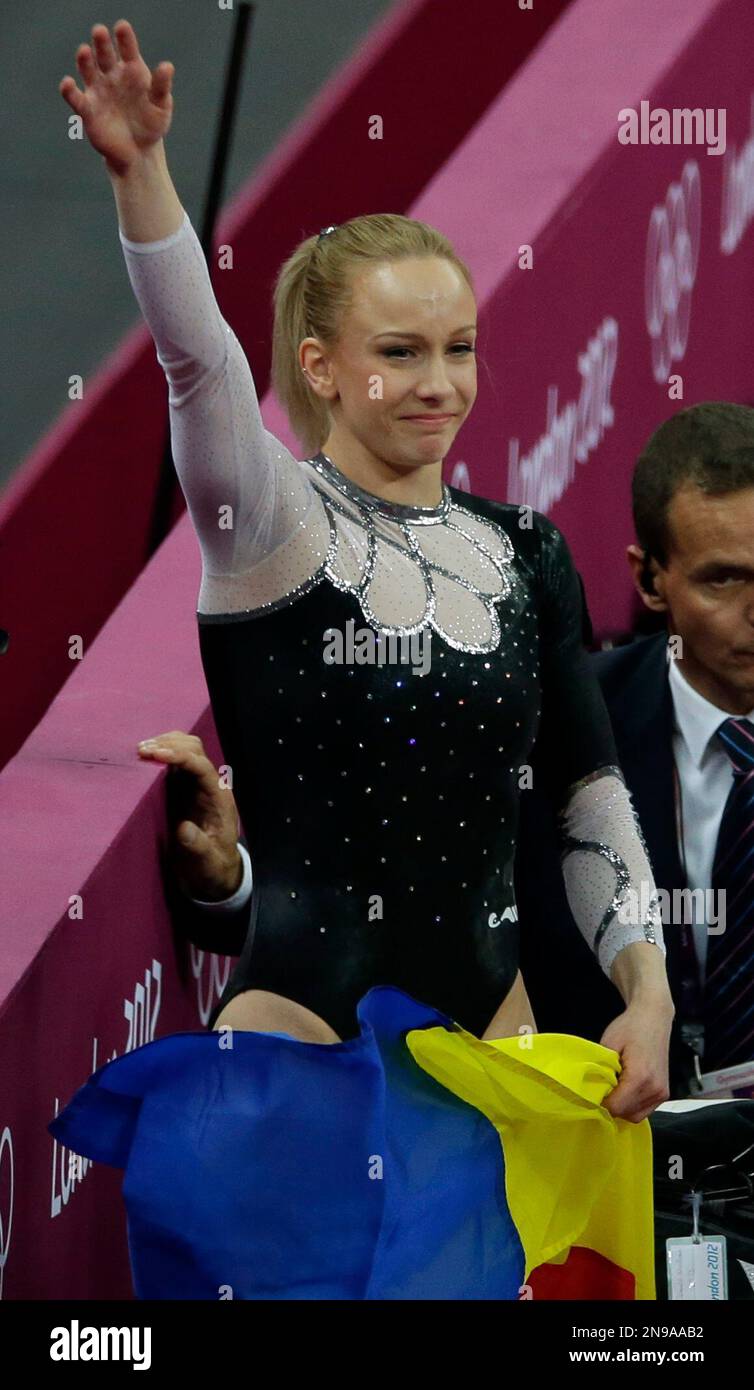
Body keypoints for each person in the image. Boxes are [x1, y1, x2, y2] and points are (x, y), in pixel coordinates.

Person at [50, 19, 675, 1299]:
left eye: (457, 347)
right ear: (322, 369)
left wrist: (646, 987)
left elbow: (586, 792)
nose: (439, 382)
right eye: (398, 353)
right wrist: (141, 178)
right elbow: (194, 360)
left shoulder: (523, 553)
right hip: (298, 1072)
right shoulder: (270, 527)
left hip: (487, 1067)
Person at [517, 402, 754, 1098]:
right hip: (614, 1157)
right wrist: (234, 888)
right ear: (650, 580)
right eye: (724, 578)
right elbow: (429, 898)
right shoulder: (557, 723)